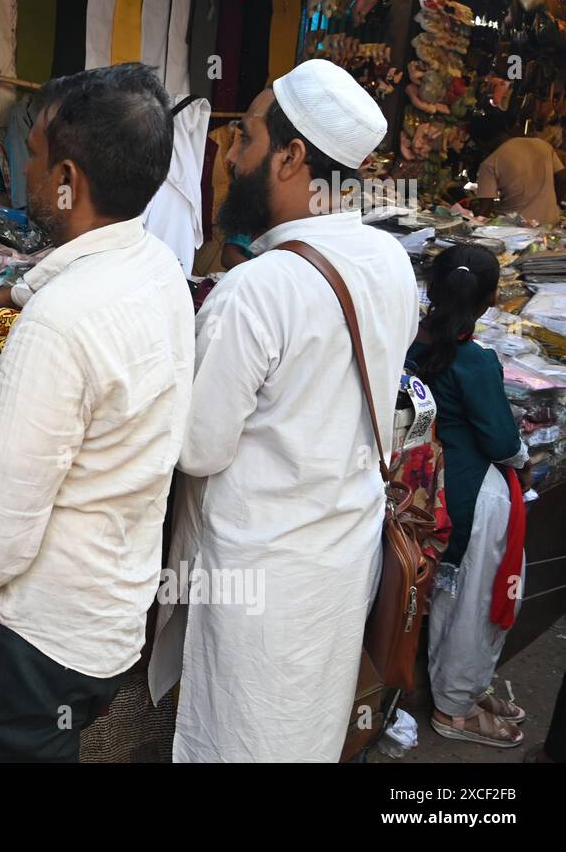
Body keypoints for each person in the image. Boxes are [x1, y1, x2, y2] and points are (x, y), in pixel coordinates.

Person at [0, 63, 194, 762]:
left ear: (68, 176)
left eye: (34, 155)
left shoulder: (60, 324)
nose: (26, 168)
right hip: (111, 618)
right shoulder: (160, 269)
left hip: (36, 641)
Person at [148, 59, 420, 762]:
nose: (231, 158)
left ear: (293, 156)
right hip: (337, 566)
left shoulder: (260, 288)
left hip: (259, 580)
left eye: (245, 140)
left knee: (238, 740)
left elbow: (199, 448)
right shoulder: (391, 261)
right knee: (305, 737)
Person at [406, 244, 529, 748]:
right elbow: (502, 442)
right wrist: (519, 451)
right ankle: (455, 708)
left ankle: (465, 690)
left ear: (432, 289)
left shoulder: (412, 342)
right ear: (490, 300)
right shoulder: (474, 361)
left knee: (452, 600)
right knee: (473, 606)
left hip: (420, 491)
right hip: (471, 496)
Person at [470, 108, 566, 228]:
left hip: (514, 227)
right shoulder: (543, 145)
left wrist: (473, 211)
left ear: (481, 142)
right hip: (550, 222)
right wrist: (553, 204)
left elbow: (484, 212)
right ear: (506, 129)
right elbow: (562, 178)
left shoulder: (490, 163)